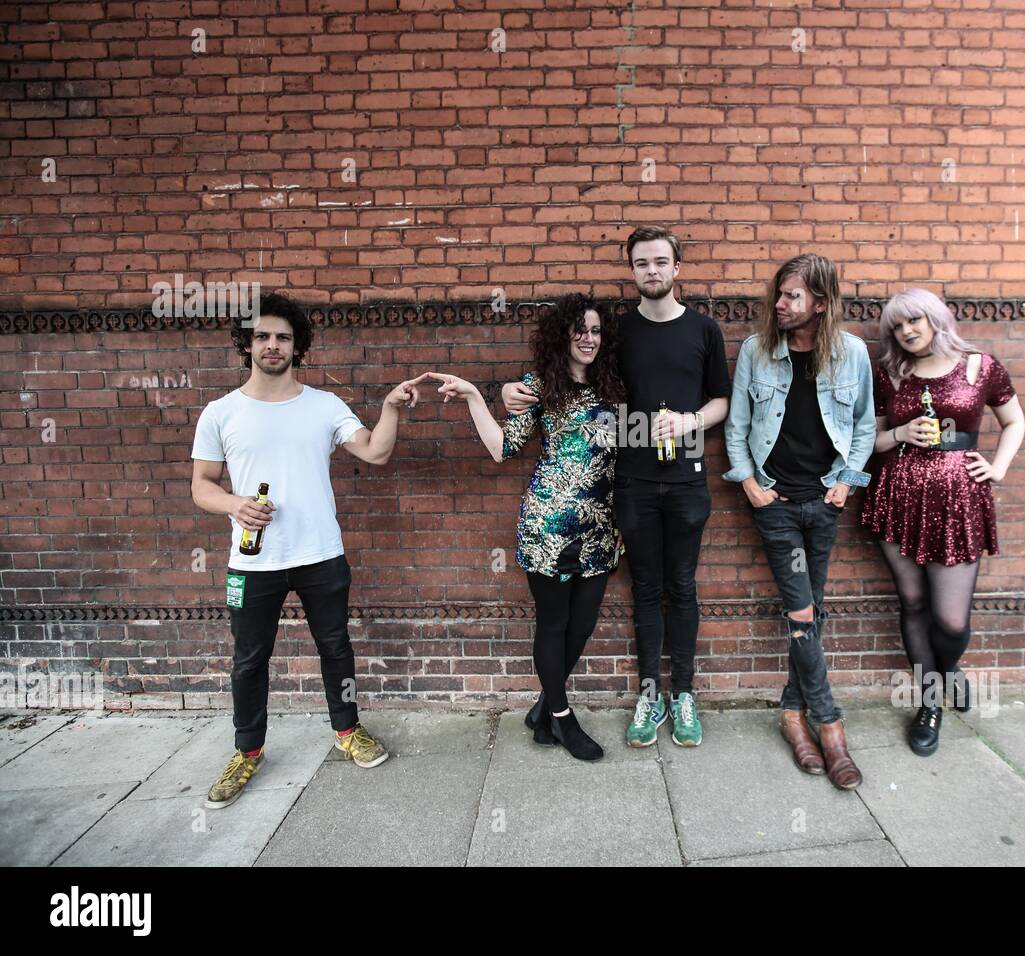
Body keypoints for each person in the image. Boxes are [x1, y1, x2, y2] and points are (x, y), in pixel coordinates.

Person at [192, 293, 431, 808]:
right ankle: (248, 751)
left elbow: (375, 450)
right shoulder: (221, 412)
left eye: (282, 336)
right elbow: (202, 486)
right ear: (247, 343)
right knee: (249, 660)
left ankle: (348, 731)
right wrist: (234, 504)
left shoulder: (324, 406)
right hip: (253, 561)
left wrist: (390, 408)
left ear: (297, 345)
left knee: (335, 647)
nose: (272, 345)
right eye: (262, 336)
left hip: (320, 554)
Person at [501, 226, 730, 749]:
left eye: (661, 262)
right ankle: (649, 696)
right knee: (646, 591)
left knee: (684, 588)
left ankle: (684, 696)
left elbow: (722, 399)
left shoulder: (704, 330)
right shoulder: (618, 332)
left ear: (677, 268)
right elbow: (568, 373)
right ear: (633, 271)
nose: (652, 271)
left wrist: (691, 421)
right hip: (632, 485)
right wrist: (512, 389)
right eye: (642, 263)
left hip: (689, 479)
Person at [429, 294, 624, 761]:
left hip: (600, 528)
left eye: (596, 331)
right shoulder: (540, 386)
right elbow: (503, 448)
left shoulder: (614, 386)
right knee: (554, 624)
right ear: (564, 335)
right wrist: (480, 395)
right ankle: (560, 718)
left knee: (583, 624)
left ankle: (542, 711)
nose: (588, 338)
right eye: (580, 330)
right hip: (549, 527)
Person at [723, 254, 875, 789]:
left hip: (827, 502)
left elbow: (863, 426)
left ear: (821, 303)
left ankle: (792, 715)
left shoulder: (852, 353)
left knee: (808, 611)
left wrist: (847, 482)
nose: (780, 304)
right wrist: (749, 485)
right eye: (779, 294)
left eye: (791, 296)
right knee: (804, 611)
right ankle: (830, 725)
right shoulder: (756, 351)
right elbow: (738, 423)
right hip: (777, 505)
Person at [860, 288, 1025, 756]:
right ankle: (930, 702)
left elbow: (1014, 422)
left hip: (959, 499)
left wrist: (998, 467)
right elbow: (869, 442)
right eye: (897, 326)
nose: (906, 331)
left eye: (915, 321)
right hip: (898, 494)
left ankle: (948, 667)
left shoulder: (980, 366)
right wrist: (899, 432)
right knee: (913, 602)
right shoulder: (889, 372)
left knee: (950, 621)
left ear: (936, 319)